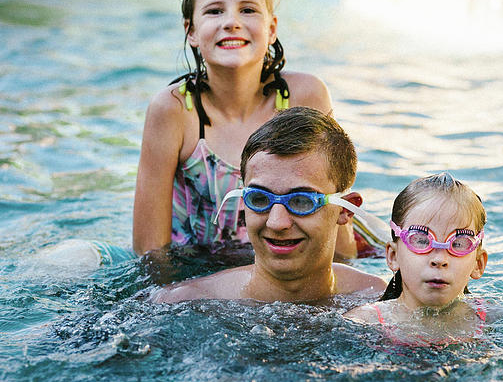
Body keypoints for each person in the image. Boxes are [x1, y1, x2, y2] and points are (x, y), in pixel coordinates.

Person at [132, 0, 363, 260]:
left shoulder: (304, 96)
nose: (231, 22)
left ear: (271, 29)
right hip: (196, 270)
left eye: (248, 10)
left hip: (283, 263)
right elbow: (150, 251)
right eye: (215, 11)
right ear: (190, 30)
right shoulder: (174, 110)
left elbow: (335, 224)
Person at [152, 107, 386, 303]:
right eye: (260, 199)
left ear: (345, 210)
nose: (276, 223)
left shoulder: (377, 298)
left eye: (301, 201)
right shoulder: (186, 302)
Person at [345, 173, 489, 345]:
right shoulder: (363, 323)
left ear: (478, 264)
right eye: (421, 240)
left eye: (458, 244)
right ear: (393, 256)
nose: (439, 259)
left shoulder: (489, 319)